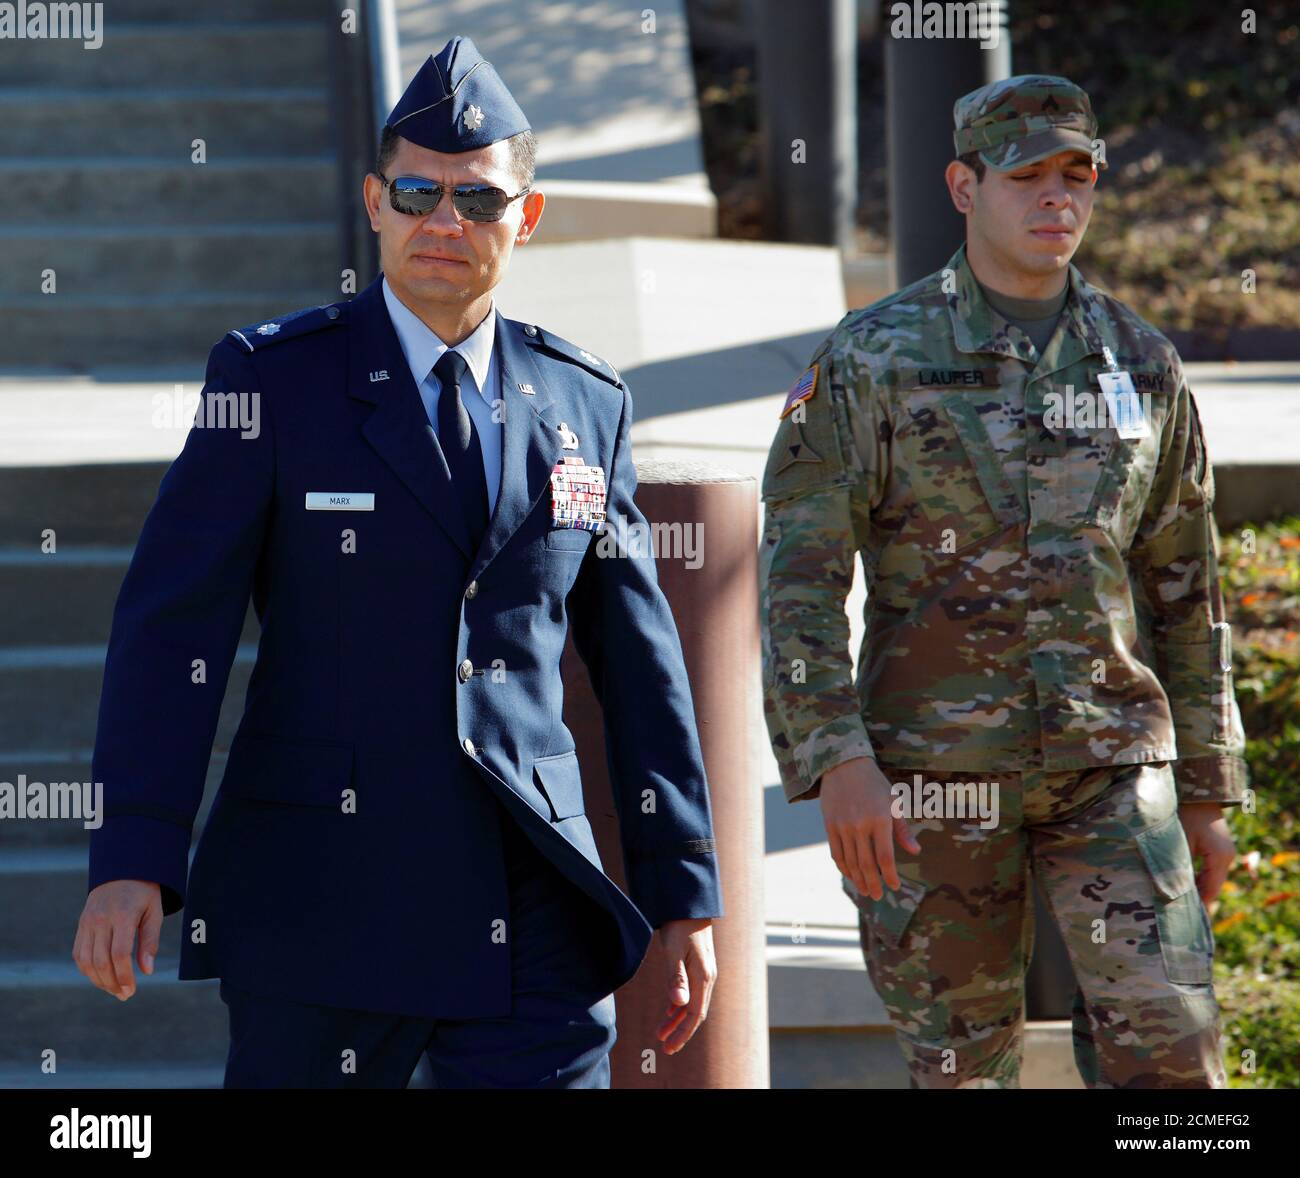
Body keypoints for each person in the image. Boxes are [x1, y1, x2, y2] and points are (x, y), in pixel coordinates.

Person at [75, 35, 721, 1089]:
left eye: (478, 199)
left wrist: (683, 886)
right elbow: (171, 628)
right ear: (375, 203)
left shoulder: (584, 400)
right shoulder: (274, 382)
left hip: (529, 900)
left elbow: (640, 663)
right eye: (418, 193)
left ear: (527, 216)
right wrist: (134, 854)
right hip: (323, 895)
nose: (443, 222)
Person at [759, 74, 1247, 1089]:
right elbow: (801, 579)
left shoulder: (1142, 363)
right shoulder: (870, 358)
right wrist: (836, 759)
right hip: (934, 777)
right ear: (962, 186)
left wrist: (1206, 786)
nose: (1056, 196)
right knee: (961, 1070)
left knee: (1175, 1051)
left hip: (1110, 764)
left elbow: (1185, 587)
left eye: (1077, 174)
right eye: (1026, 175)